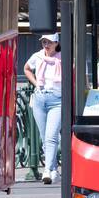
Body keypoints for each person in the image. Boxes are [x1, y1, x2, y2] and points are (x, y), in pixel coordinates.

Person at [24, 33, 62, 186]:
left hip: (57, 99)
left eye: (49, 42)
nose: (46, 45)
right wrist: (35, 84)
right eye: (44, 42)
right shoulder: (37, 56)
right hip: (40, 98)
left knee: (51, 136)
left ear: (56, 43)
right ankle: (53, 170)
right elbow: (26, 68)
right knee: (44, 136)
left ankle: (46, 170)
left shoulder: (62, 57)